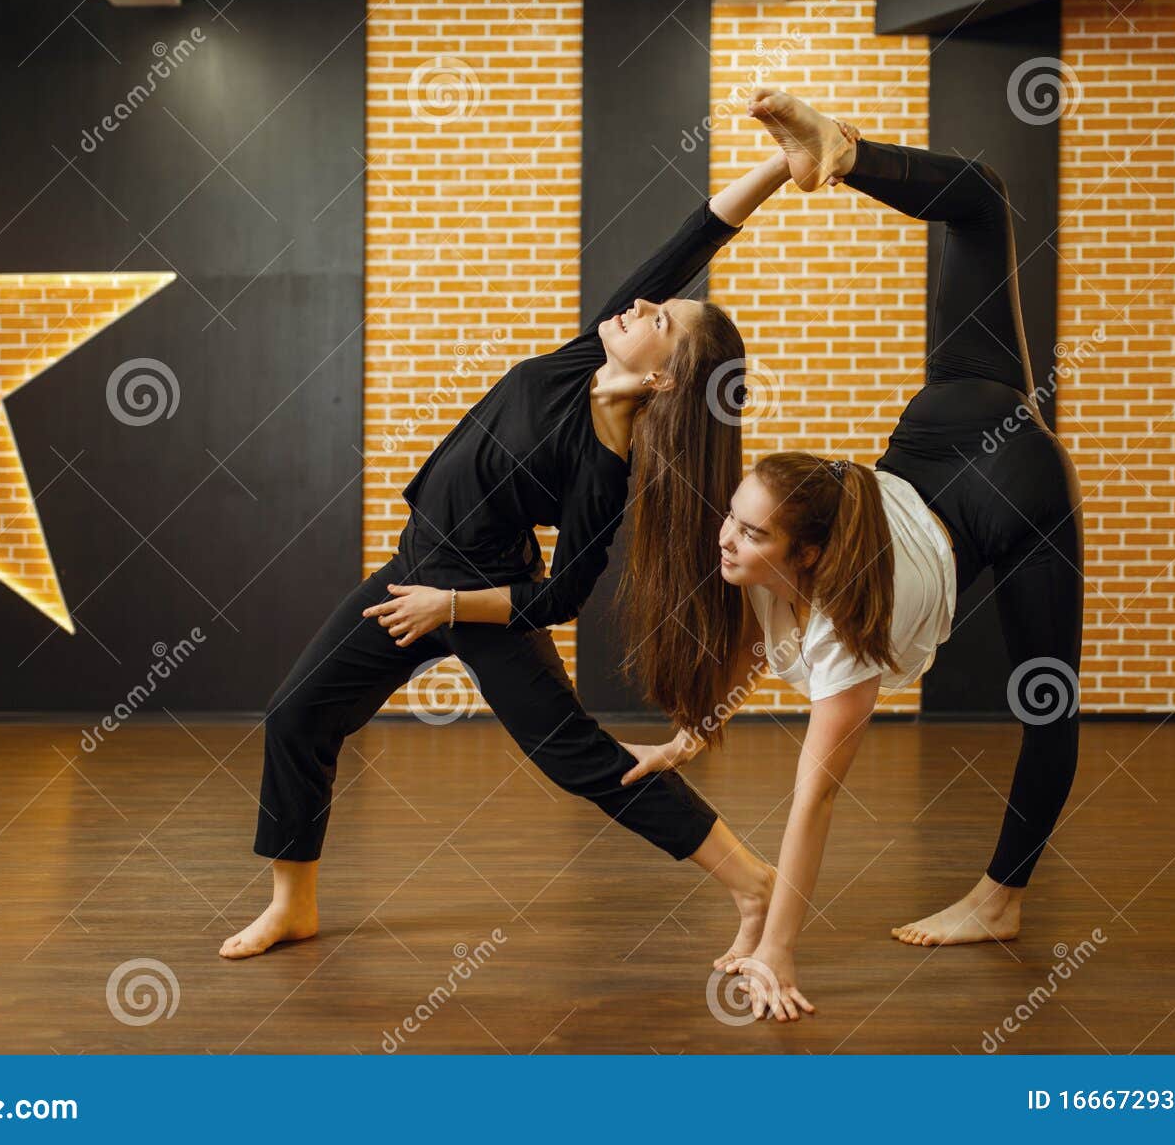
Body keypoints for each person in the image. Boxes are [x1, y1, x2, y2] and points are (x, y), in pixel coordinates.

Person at [221, 149, 799, 962]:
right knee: (297, 716)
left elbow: (560, 598)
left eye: (660, 320)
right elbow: (696, 236)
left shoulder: (607, 466)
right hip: (409, 574)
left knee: (579, 760)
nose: (640, 304)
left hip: (479, 601)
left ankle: (753, 881)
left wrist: (448, 609)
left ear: (665, 380)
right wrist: (782, 163)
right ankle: (293, 904)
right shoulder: (582, 362)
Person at [621, 89, 1085, 1020]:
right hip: (935, 441)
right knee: (985, 204)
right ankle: (835, 152)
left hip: (1012, 485)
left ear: (809, 552)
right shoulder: (752, 561)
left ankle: (1000, 899)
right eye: (736, 521)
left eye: (751, 532)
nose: (727, 538)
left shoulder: (846, 653)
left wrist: (776, 955)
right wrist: (692, 733)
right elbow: (754, 643)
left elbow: (811, 807)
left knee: (1048, 701)